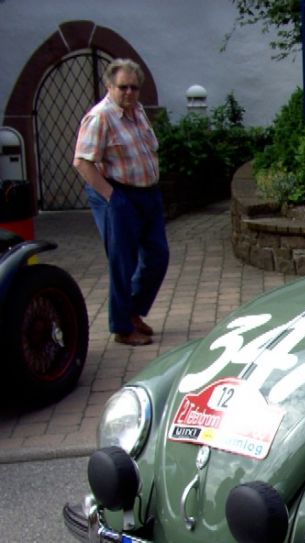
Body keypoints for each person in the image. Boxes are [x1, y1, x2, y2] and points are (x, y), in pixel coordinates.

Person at [73, 58, 168, 346]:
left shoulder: (137, 110)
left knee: (158, 256)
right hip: (118, 194)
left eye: (134, 88)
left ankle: (133, 311)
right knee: (123, 262)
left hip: (148, 193)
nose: (129, 92)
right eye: (123, 87)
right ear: (109, 86)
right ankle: (122, 327)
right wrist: (112, 197)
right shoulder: (100, 117)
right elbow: (82, 162)